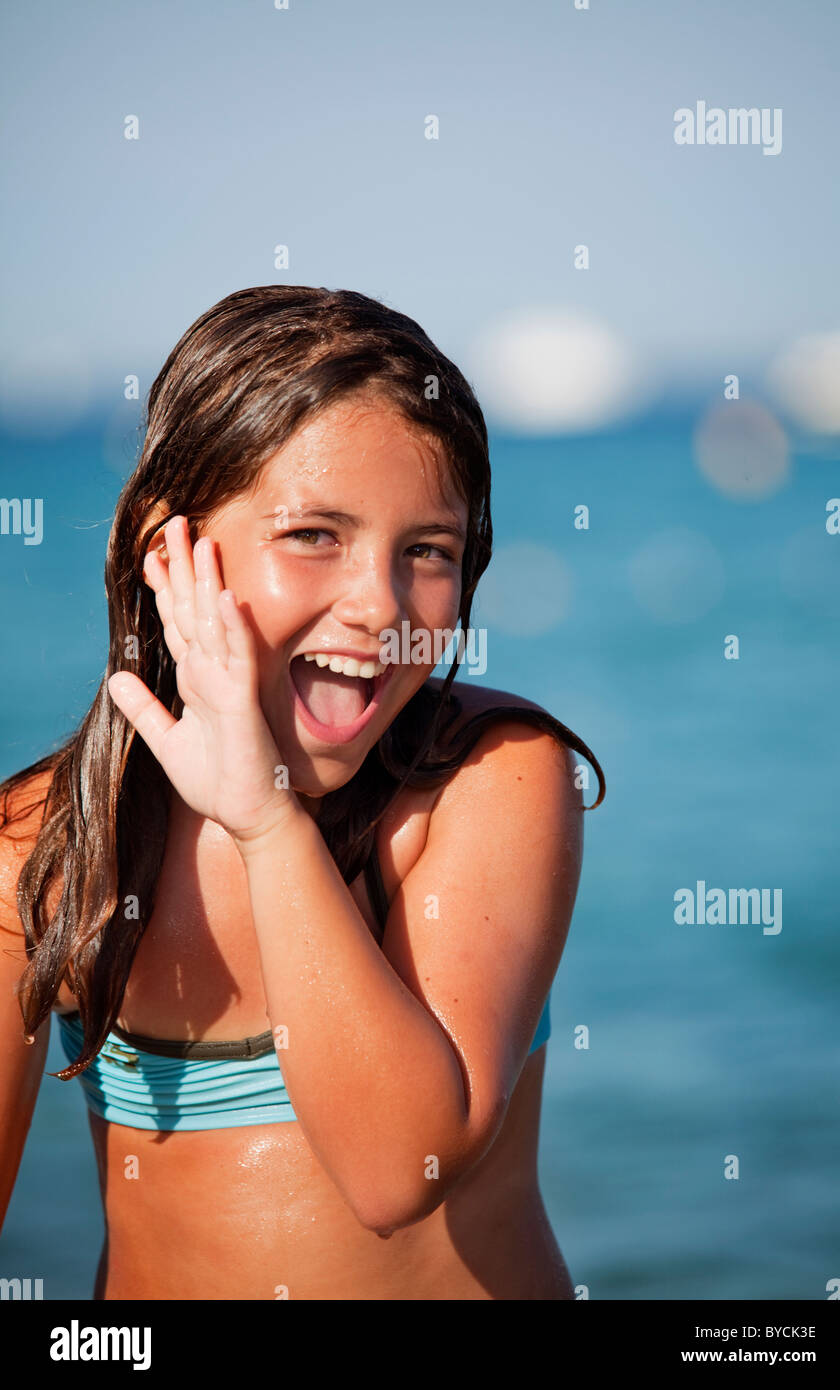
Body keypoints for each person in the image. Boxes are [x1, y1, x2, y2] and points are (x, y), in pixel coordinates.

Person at [0, 285, 605, 1300]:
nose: (378, 603)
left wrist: (269, 824)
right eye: (314, 535)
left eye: (429, 552)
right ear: (171, 554)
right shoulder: (44, 852)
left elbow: (393, 1170)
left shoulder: (487, 779)